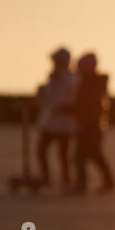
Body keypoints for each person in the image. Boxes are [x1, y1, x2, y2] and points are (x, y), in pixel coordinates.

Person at [34, 47, 77, 192]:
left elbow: (70, 98)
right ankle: (47, 177)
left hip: (64, 124)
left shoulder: (71, 78)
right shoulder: (53, 77)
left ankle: (66, 181)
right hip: (50, 122)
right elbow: (47, 97)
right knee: (42, 150)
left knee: (63, 154)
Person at [71, 52, 115, 194]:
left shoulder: (90, 83)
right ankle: (105, 181)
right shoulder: (92, 82)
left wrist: (81, 119)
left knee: (84, 155)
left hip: (90, 125)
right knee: (91, 154)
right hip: (92, 124)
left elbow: (86, 105)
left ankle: (83, 184)